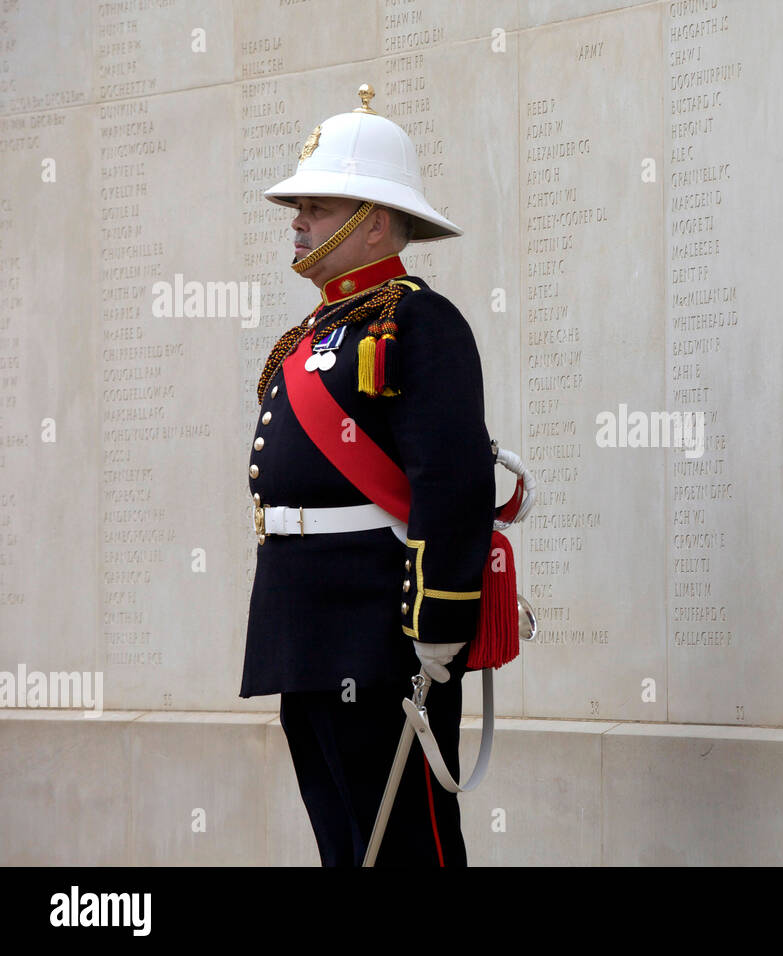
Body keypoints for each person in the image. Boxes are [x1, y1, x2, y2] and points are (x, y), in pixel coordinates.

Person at [238, 84, 496, 867]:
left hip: (381, 638)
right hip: (305, 628)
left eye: (316, 207)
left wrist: (437, 632)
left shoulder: (417, 320)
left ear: (373, 220)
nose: (297, 222)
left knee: (408, 847)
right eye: (301, 208)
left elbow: (452, 486)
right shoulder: (313, 333)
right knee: (347, 845)